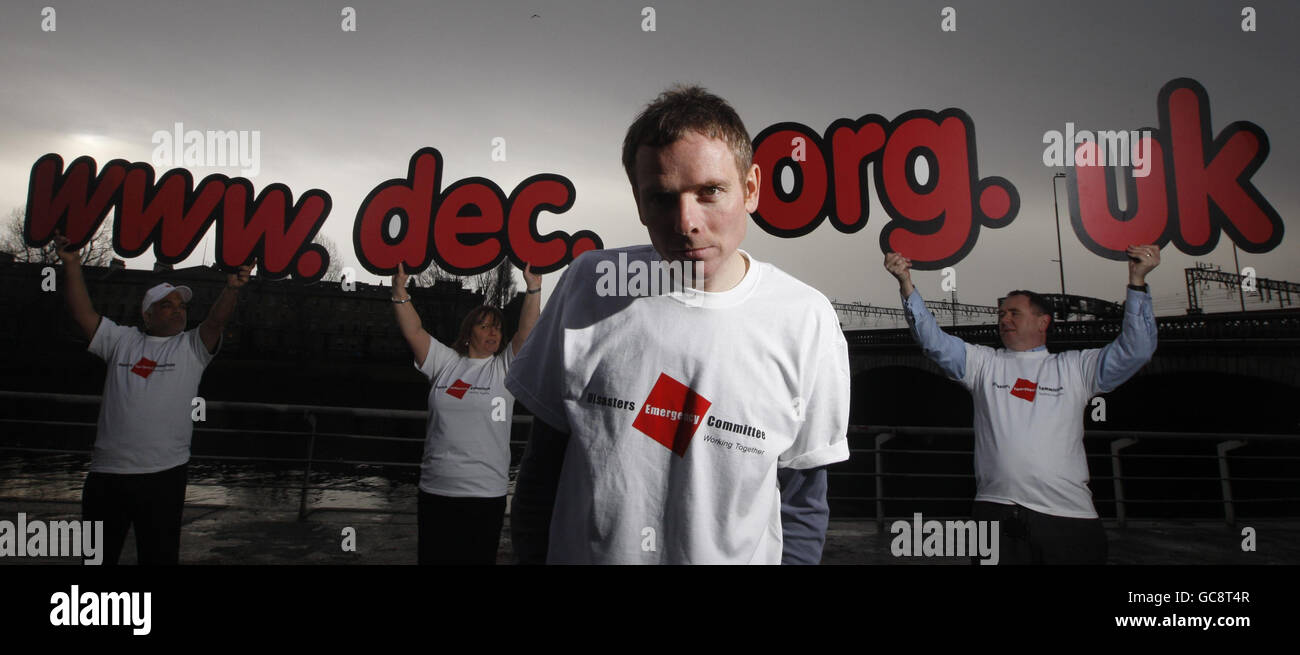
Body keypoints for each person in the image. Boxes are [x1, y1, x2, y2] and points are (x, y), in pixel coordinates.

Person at [505, 85, 851, 565]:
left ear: (750, 189)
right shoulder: (589, 284)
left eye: (709, 192)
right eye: (663, 198)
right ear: (639, 202)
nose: (686, 221)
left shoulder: (807, 319)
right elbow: (540, 473)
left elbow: (803, 502)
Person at [883, 245, 1160, 564]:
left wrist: (1137, 281)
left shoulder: (1075, 368)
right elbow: (932, 341)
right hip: (994, 512)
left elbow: (1135, 351)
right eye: (1001, 314)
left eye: (1014, 313)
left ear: (1044, 322)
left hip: (1068, 518)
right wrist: (906, 283)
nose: (1004, 319)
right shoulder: (983, 364)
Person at [54, 232, 249, 565]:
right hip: (107, 475)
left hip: (163, 476)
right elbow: (82, 313)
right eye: (167, 305)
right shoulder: (120, 341)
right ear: (147, 314)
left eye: (182, 306)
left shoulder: (191, 348)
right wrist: (71, 264)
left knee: (158, 557)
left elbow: (216, 321)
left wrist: (231, 287)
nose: (177, 312)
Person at [391, 262, 542, 565]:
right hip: (436, 489)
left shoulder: (504, 368)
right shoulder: (444, 362)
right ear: (468, 331)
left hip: (484, 494)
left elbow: (526, 333)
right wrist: (399, 291)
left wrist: (533, 288)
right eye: (484, 325)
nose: (493, 331)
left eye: (497, 327)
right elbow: (414, 331)